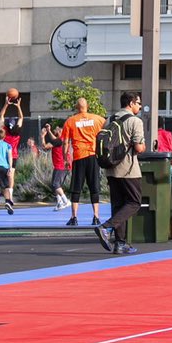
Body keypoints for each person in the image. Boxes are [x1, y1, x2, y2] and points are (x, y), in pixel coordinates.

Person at [98, 92, 145, 254]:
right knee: (134, 202)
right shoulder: (135, 121)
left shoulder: (109, 119)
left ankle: (120, 243)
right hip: (129, 170)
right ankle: (106, 227)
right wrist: (143, 146)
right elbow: (139, 148)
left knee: (118, 205)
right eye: (138, 103)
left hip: (111, 169)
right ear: (131, 103)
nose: (139, 106)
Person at [59, 98, 106, 230]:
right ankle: (96, 216)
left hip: (79, 157)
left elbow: (65, 142)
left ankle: (74, 217)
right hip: (93, 156)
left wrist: (65, 158)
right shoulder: (98, 119)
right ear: (87, 106)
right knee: (94, 186)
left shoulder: (71, 121)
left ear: (76, 106)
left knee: (76, 187)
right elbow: (108, 132)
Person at [42, 121, 71, 214]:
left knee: (56, 185)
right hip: (59, 166)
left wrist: (46, 133)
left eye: (59, 128)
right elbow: (49, 143)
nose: (57, 129)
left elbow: (49, 144)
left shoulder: (60, 140)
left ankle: (66, 201)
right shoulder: (58, 140)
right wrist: (46, 133)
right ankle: (59, 202)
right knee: (54, 185)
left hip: (62, 166)